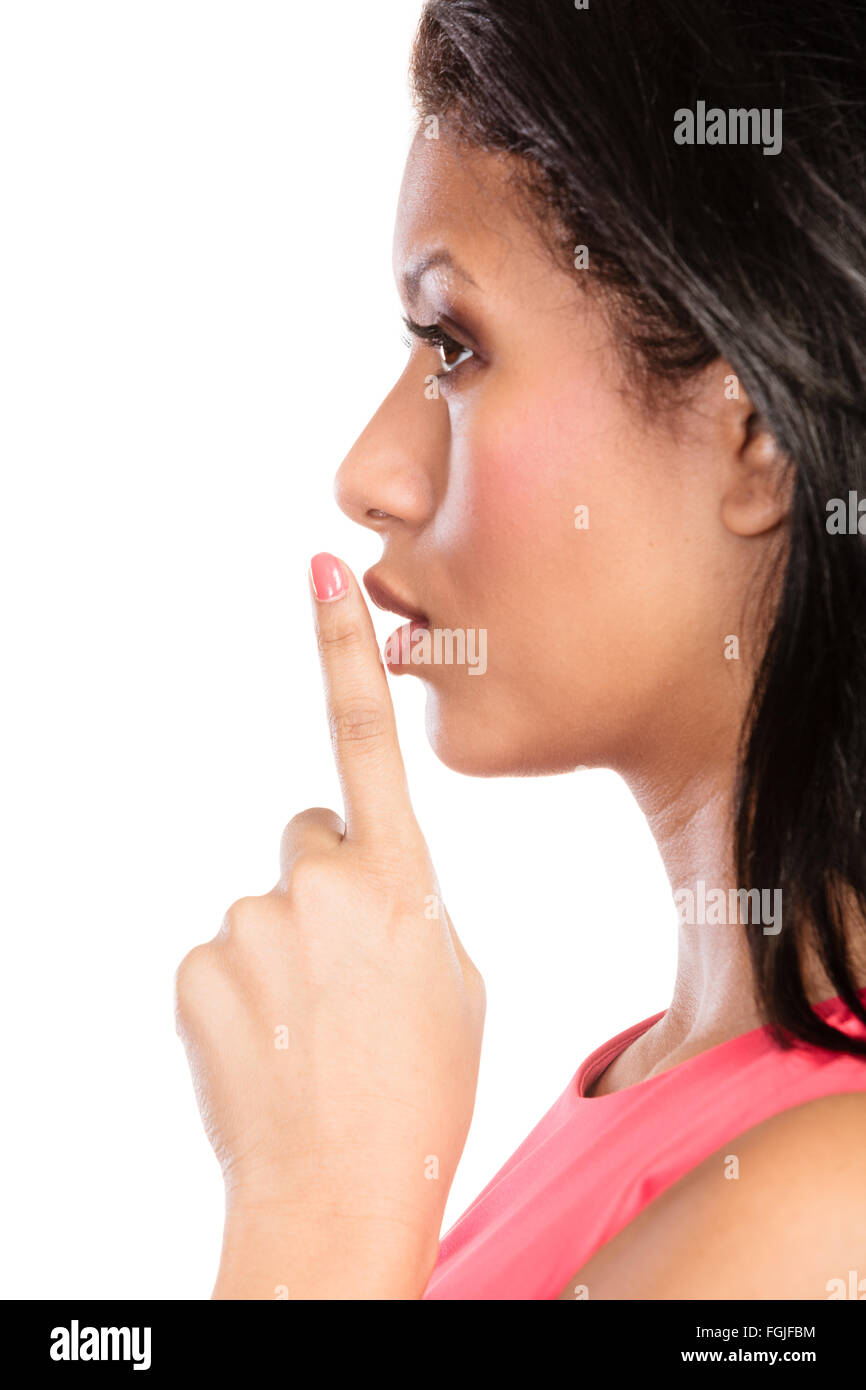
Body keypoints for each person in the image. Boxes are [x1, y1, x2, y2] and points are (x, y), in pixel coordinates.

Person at [175, 0, 866, 1299]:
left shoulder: (824, 1212)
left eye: (455, 345)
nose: (371, 472)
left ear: (753, 435)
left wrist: (318, 1211)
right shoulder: (652, 1095)